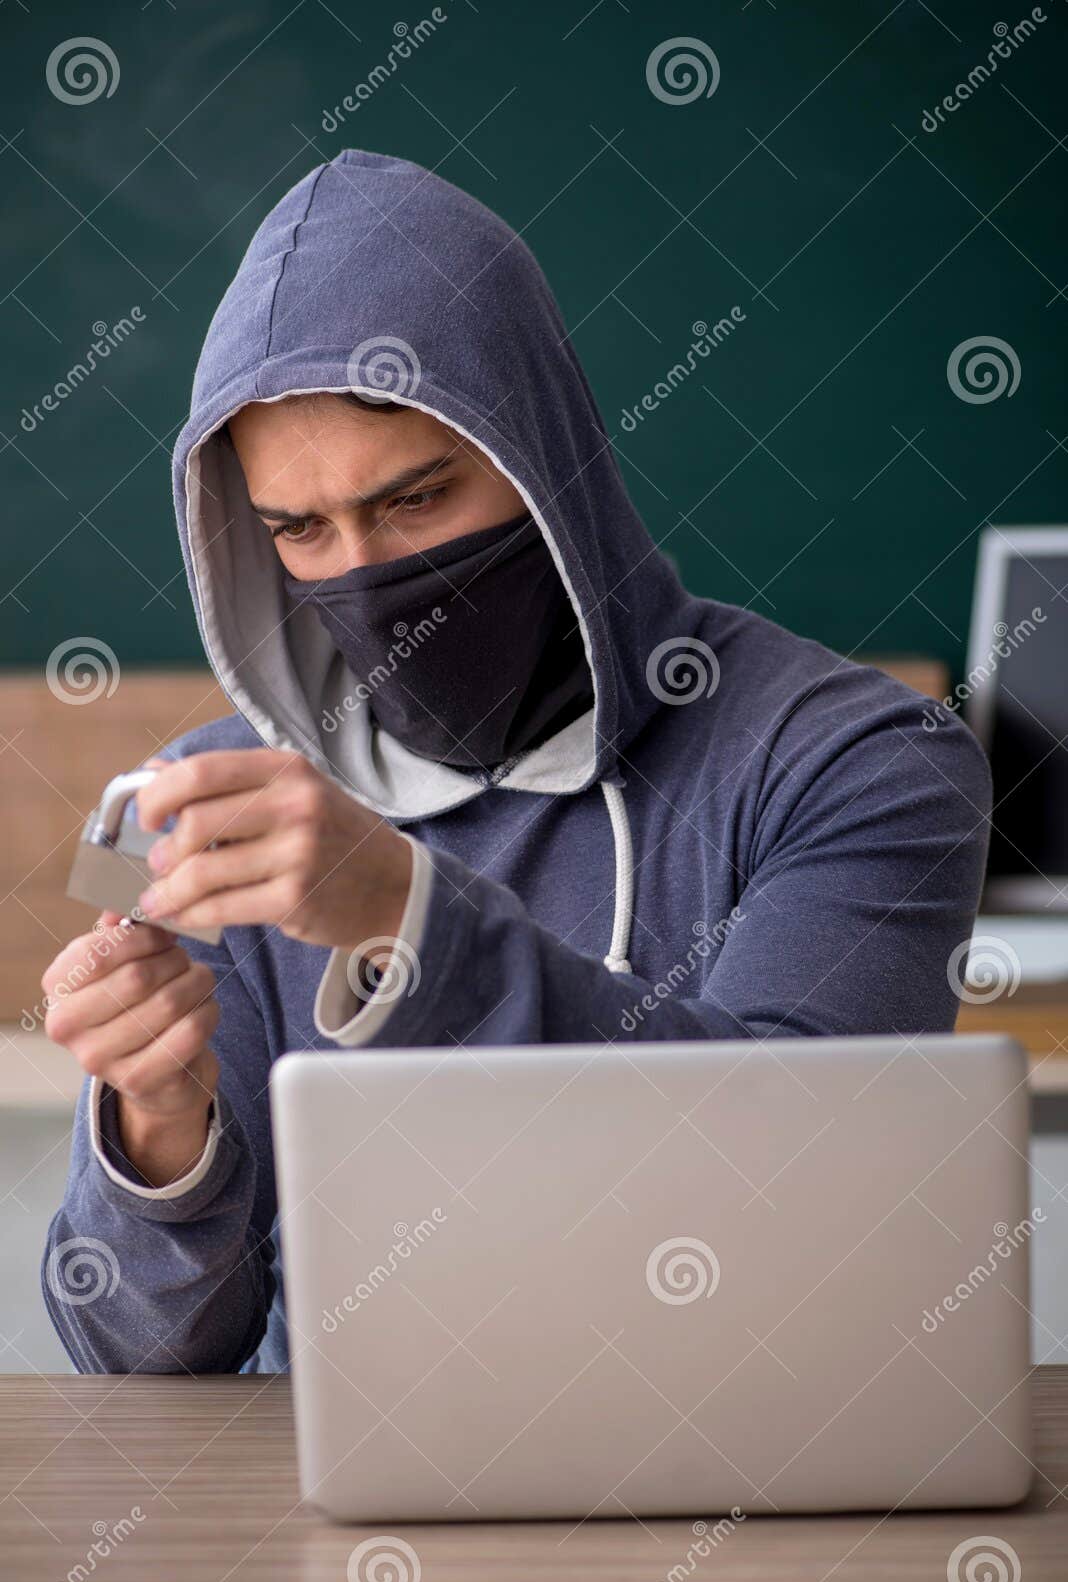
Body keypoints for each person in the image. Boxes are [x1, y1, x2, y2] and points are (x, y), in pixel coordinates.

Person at [42, 149, 991, 1374]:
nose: (368, 577)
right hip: (349, 1534)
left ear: (551, 464)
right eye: (300, 530)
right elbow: (138, 1359)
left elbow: (796, 1197)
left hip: (768, 1496)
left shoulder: (858, 761)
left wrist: (405, 915)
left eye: (418, 501)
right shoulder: (204, 807)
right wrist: (157, 1126)